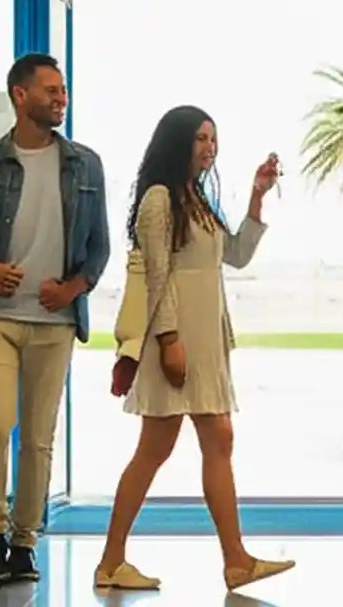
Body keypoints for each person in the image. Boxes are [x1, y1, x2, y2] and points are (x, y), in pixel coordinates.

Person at [93, 105, 293, 592]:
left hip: (204, 343)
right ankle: (116, 561)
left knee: (209, 441)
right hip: (177, 343)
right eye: (201, 138)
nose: (209, 147)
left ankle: (233, 560)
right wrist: (168, 341)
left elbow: (237, 255)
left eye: (213, 138)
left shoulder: (196, 199)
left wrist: (256, 197)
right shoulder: (159, 200)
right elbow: (158, 277)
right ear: (178, 142)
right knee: (158, 449)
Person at [0, 53, 110, 583]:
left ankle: (25, 541)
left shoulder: (85, 164)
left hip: (55, 325)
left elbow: (99, 248)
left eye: (64, 91)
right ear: (20, 94)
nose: (61, 99)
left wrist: (73, 288)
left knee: (37, 437)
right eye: (51, 90)